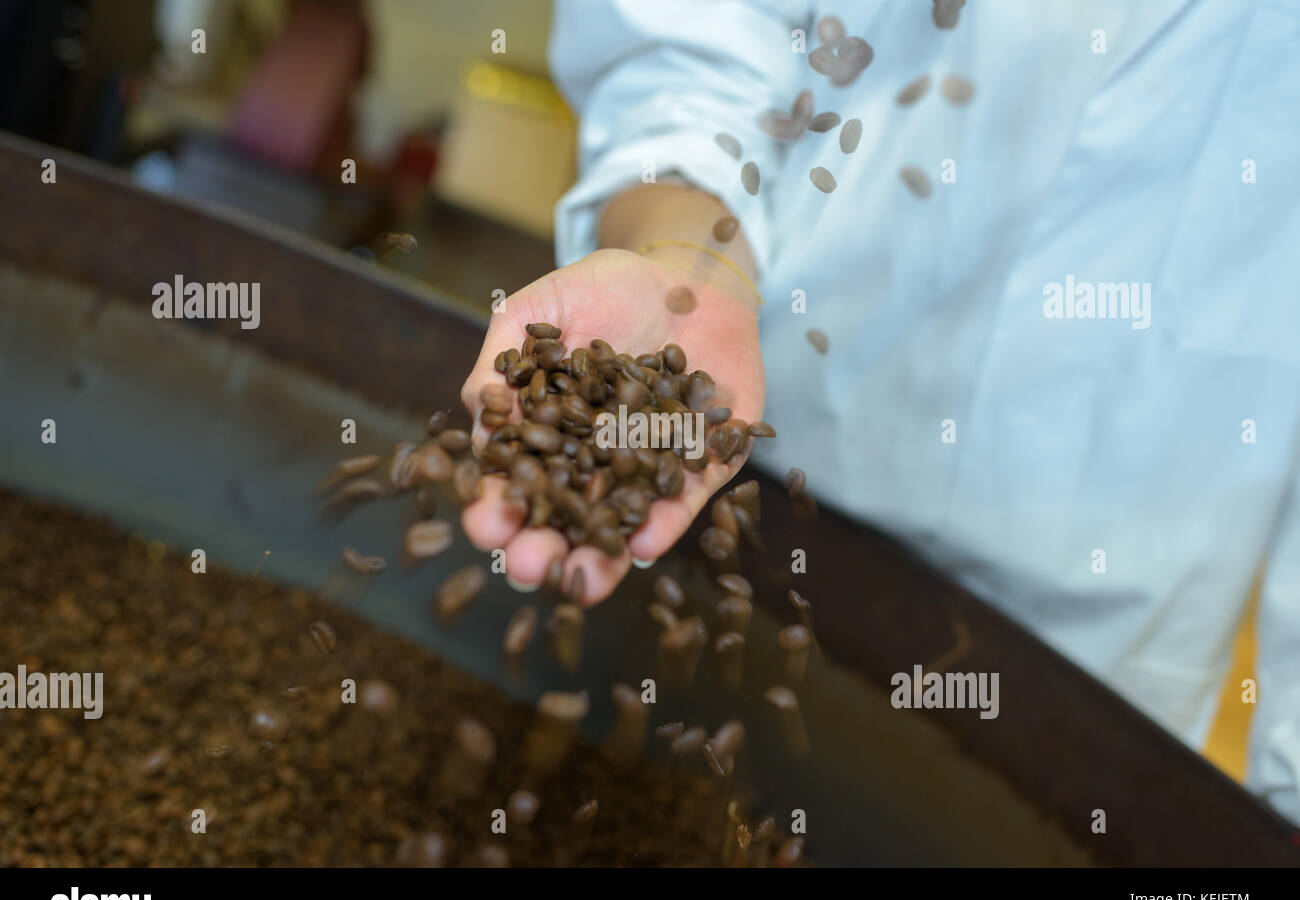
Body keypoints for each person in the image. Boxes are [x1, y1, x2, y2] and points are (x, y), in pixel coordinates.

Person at [457, 0, 1300, 825]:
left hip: (1103, 645)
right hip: (746, 484)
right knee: (626, 809)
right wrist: (692, 254)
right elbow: (693, 31)